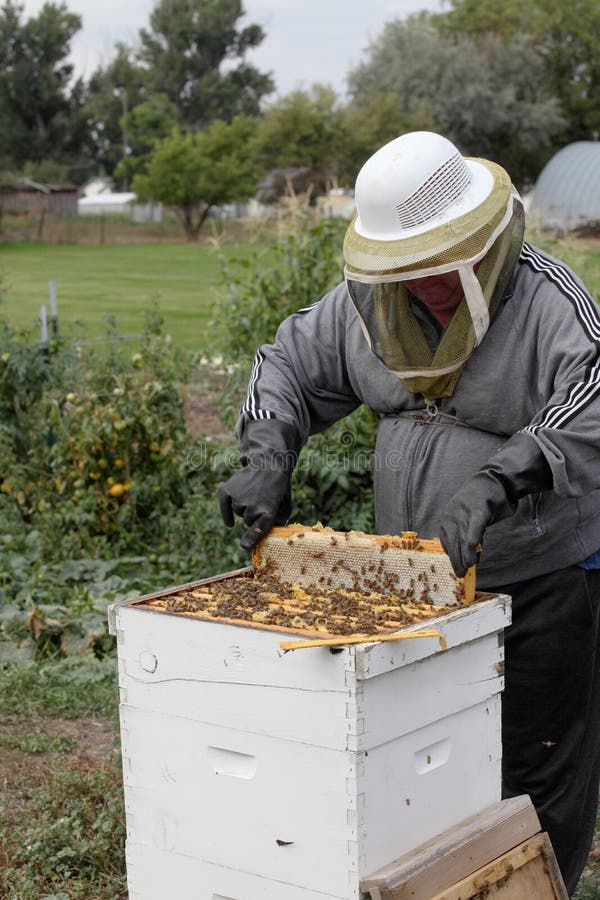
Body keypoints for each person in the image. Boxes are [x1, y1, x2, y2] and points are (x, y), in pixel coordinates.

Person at [218, 131, 600, 895]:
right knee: (427, 768)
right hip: (418, 593)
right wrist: (266, 455)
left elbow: (593, 395)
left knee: (533, 776)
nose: (423, 282)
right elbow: (285, 363)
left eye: (437, 263)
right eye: (407, 267)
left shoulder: (551, 301)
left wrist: (500, 480)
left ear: (482, 242)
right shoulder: (364, 308)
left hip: (544, 585)